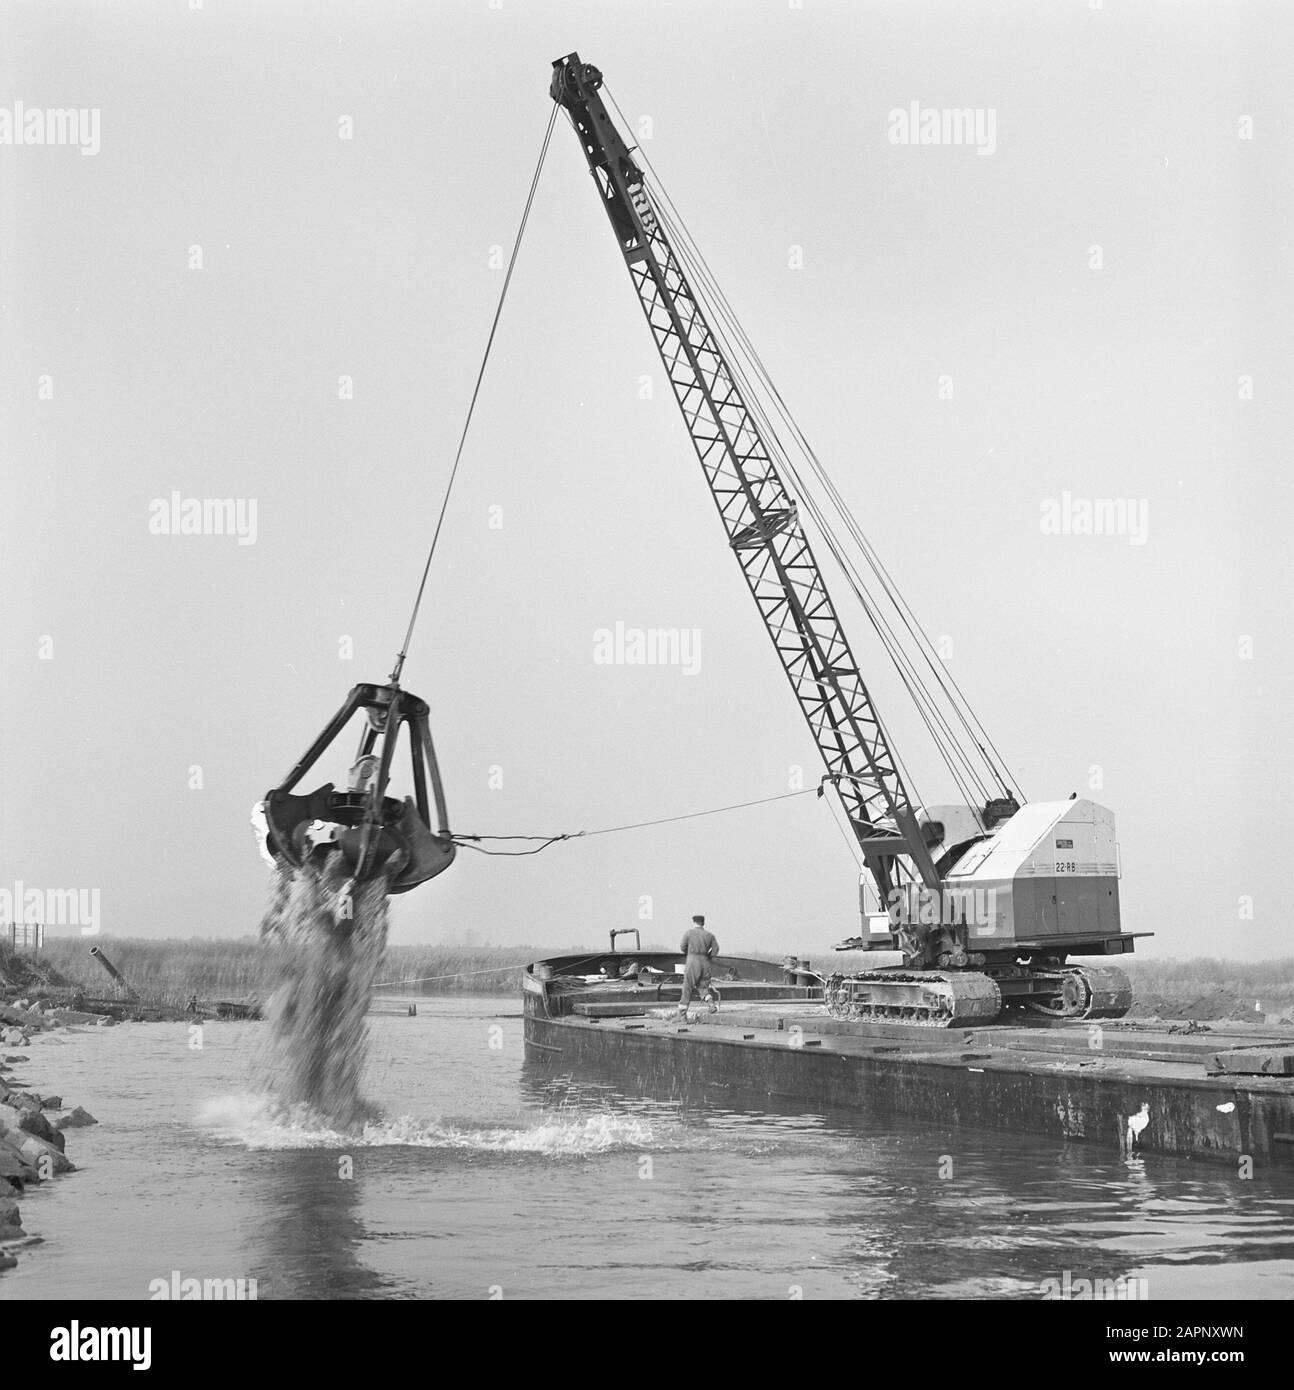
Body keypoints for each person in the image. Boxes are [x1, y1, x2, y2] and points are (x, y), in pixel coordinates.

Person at [677, 914, 720, 1016]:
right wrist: (707, 957)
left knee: (687, 987)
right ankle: (711, 1005)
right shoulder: (710, 935)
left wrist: (691, 953)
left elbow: (682, 947)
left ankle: (682, 1015)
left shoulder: (689, 933)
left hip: (693, 962)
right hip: (705, 963)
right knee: (703, 987)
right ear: (703, 923)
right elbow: (715, 949)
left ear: (694, 922)